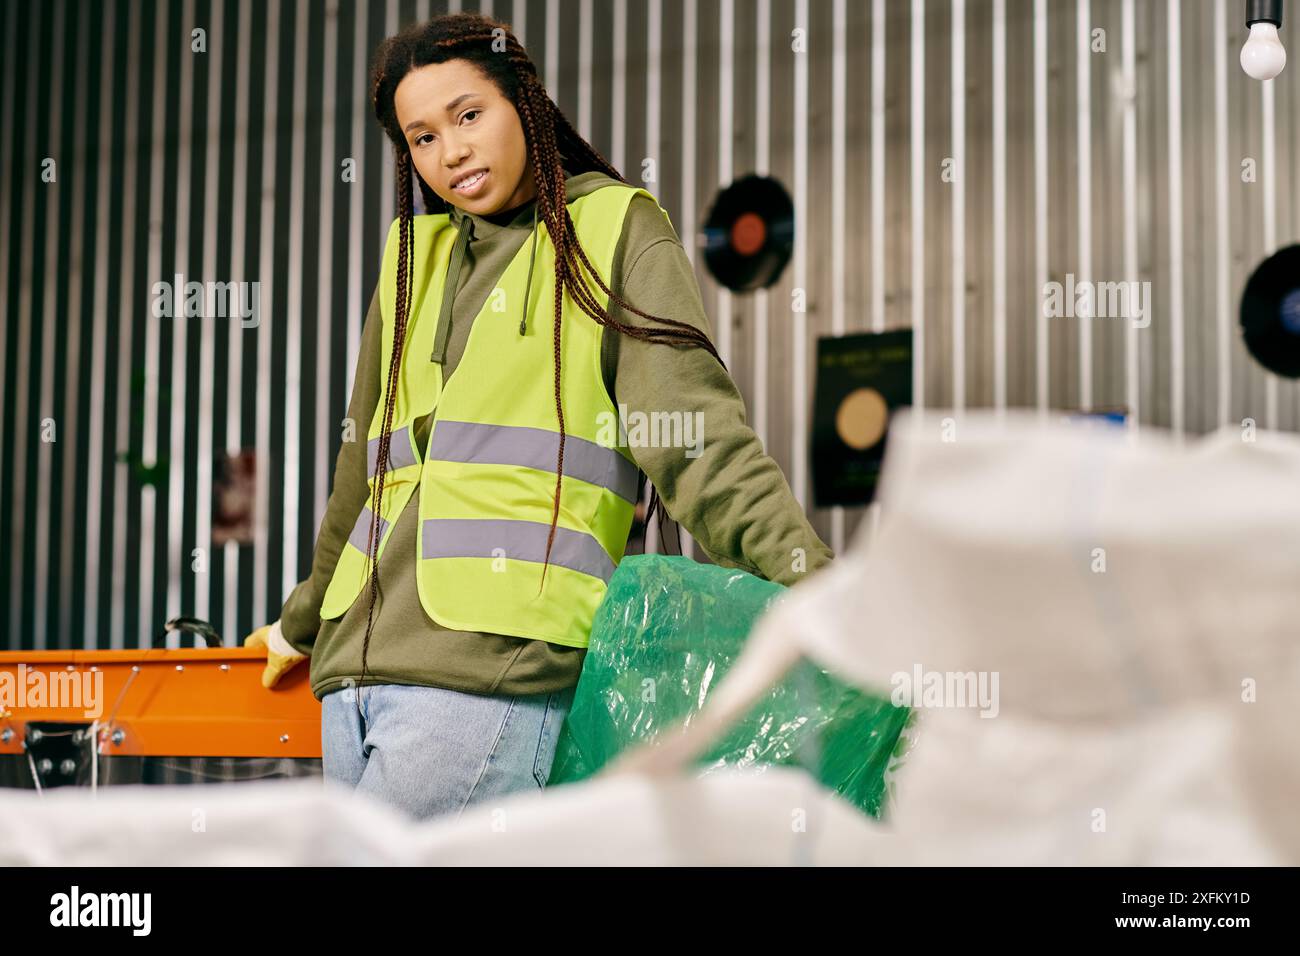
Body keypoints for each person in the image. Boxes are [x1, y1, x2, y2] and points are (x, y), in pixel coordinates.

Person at [244, 11, 833, 822]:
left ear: (526, 103)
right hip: (353, 677)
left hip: (486, 672)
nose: (449, 152)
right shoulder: (414, 259)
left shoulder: (611, 228)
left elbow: (697, 444)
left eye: (468, 115)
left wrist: (818, 581)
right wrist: (305, 617)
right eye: (420, 137)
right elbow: (364, 468)